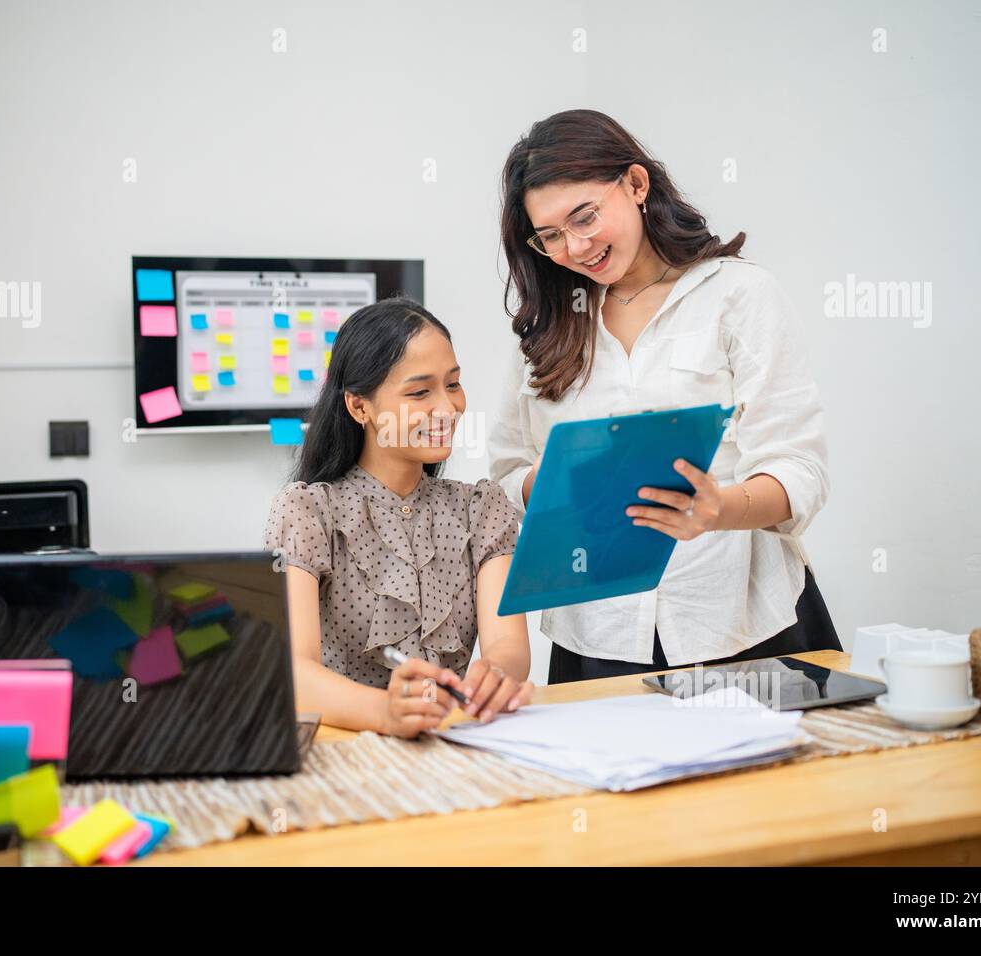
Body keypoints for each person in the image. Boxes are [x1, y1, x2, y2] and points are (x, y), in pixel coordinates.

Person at [490, 109, 840, 684]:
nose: (575, 248)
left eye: (584, 217)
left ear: (635, 184)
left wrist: (720, 509)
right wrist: (553, 480)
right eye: (549, 236)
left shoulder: (738, 295)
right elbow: (504, 477)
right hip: (598, 638)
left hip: (741, 623)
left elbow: (800, 468)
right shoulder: (546, 330)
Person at [265, 296, 534, 735]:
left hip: (454, 743)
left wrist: (498, 677)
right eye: (419, 392)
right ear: (359, 407)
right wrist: (386, 712)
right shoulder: (308, 512)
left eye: (453, 384)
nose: (448, 409)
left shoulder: (482, 509)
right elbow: (294, 672)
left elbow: (507, 647)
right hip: (348, 750)